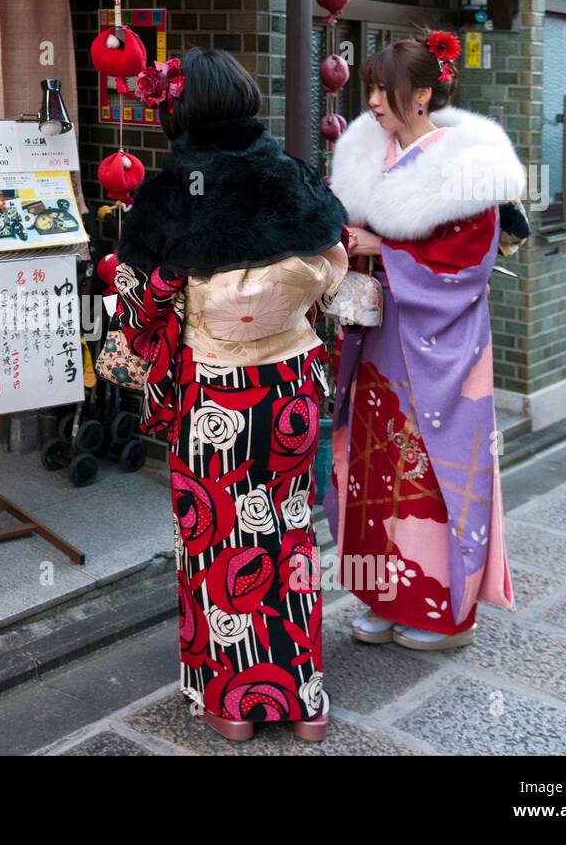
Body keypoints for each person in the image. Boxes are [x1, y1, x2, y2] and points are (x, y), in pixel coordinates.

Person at [114, 47, 349, 742]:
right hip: (291, 389)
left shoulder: (165, 196)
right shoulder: (295, 175)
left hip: (218, 395)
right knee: (289, 533)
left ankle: (235, 703)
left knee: (220, 542)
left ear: (177, 112)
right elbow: (331, 270)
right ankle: (305, 699)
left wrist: (179, 292)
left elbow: (139, 311)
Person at [323, 32, 521, 651]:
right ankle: (384, 595)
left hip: (442, 338)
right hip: (381, 336)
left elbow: (469, 263)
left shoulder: (463, 166)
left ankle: (445, 613)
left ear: (425, 93)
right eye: (372, 90)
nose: (375, 103)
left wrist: (385, 249)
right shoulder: (368, 156)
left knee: (434, 473)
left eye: (387, 91)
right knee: (376, 465)